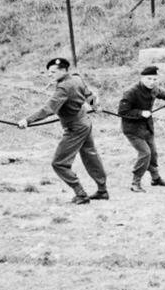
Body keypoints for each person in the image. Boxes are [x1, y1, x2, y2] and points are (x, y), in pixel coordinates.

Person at [22, 57, 109, 204]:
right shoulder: (77, 79)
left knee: (59, 163)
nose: (50, 75)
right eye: (49, 72)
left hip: (75, 128)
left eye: (53, 72)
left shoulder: (64, 87)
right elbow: (89, 95)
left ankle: (80, 194)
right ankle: (102, 190)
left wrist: (27, 120)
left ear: (63, 70)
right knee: (91, 156)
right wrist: (95, 105)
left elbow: (48, 109)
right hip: (85, 123)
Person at [117, 65, 165, 192]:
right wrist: (140, 113)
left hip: (147, 127)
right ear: (142, 78)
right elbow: (122, 112)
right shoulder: (131, 92)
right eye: (149, 79)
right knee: (145, 153)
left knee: (153, 154)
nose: (152, 82)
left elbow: (163, 93)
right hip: (132, 129)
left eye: (154, 79)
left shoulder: (153, 89)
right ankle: (135, 183)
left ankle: (156, 179)